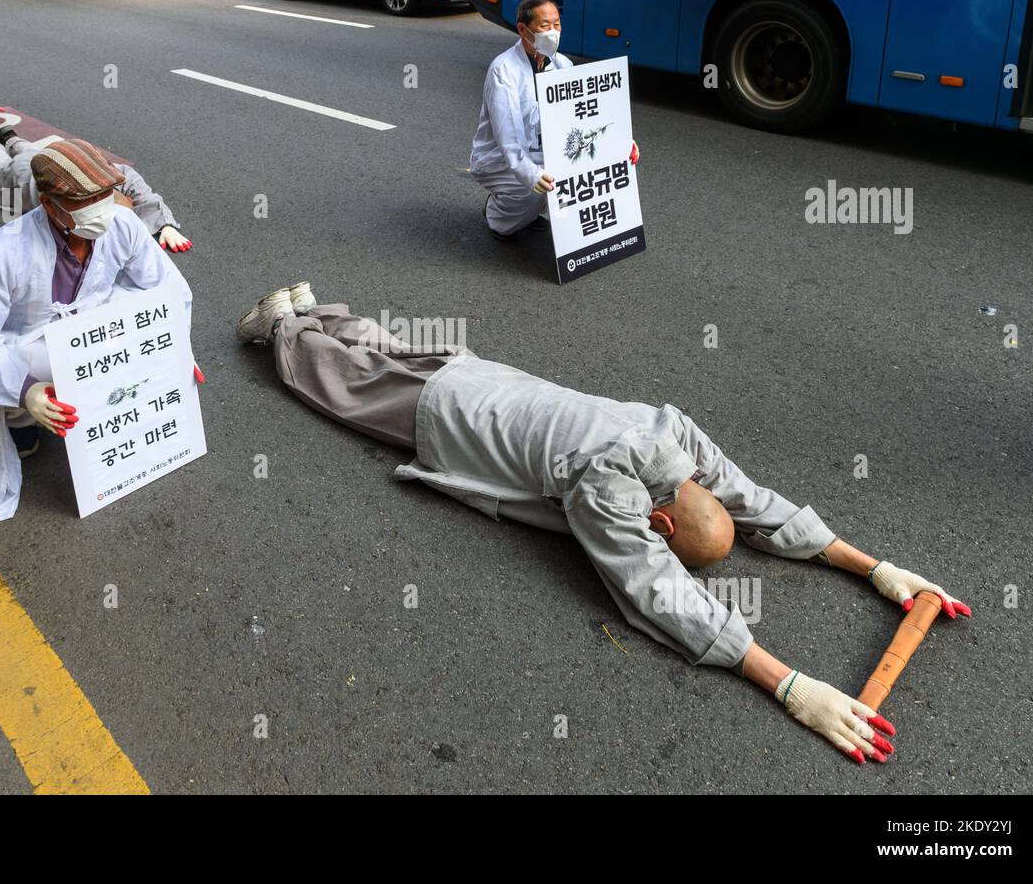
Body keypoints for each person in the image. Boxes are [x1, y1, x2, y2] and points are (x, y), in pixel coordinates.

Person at [236, 291, 972, 763]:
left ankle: (315, 305)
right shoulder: (605, 490)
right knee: (344, 387)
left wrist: (874, 567)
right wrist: (789, 688)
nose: (666, 551)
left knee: (396, 349)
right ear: (657, 519)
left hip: (489, 379)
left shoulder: (672, 437)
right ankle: (282, 331)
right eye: (670, 544)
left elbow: (750, 504)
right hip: (453, 419)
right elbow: (655, 594)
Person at [0, 139, 193, 521]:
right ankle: (21, 418)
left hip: (88, 333)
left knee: (131, 328)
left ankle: (94, 411)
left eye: (106, 196)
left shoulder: (123, 224)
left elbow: (167, 290)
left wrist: (174, 349)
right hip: (27, 345)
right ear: (50, 206)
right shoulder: (5, 253)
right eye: (87, 202)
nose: (103, 210)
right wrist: (27, 392)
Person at [470, 0, 639, 240]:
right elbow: (509, 141)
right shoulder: (503, 70)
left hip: (546, 152)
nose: (553, 32)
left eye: (556, 24)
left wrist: (621, 143)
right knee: (535, 191)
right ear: (523, 29)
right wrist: (532, 175)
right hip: (500, 160)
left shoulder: (563, 65)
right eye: (544, 26)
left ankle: (525, 211)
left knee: (591, 174)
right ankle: (498, 215)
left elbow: (585, 119)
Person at [0, 125, 192, 252]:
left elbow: (145, 196)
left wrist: (164, 226)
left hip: (50, 157)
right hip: (24, 175)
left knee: (33, 151)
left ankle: (11, 137)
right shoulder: (48, 196)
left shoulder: (117, 173)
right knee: (0, 169)